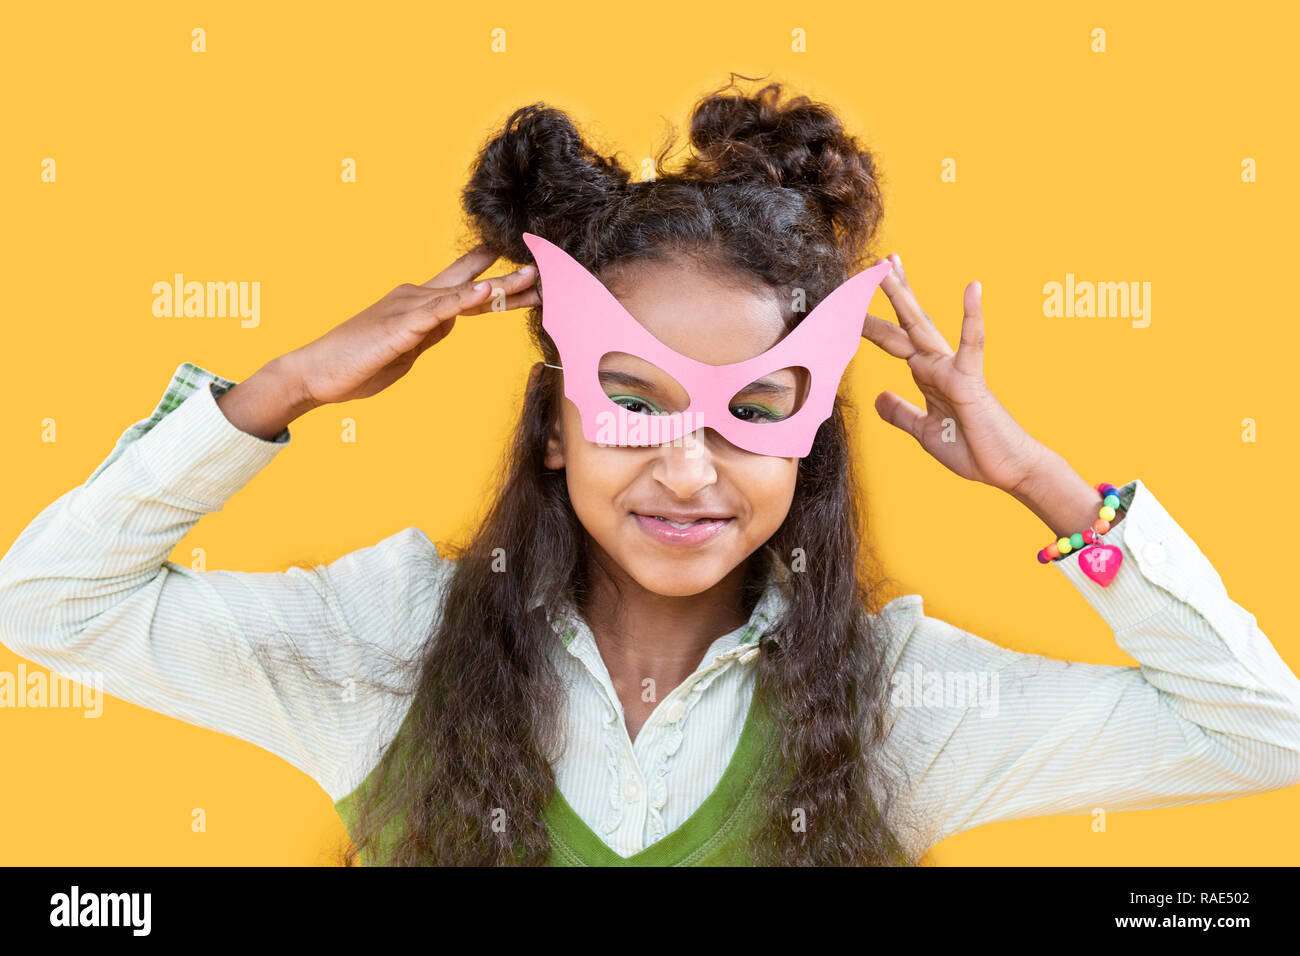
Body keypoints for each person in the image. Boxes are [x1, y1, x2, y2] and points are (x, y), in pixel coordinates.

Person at [2, 77, 1298, 866]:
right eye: (633, 400)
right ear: (556, 423)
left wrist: (1048, 486)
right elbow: (44, 605)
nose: (690, 466)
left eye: (753, 412)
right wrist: (278, 390)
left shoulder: (907, 705)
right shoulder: (384, 649)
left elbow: (1266, 738)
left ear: (813, 437)